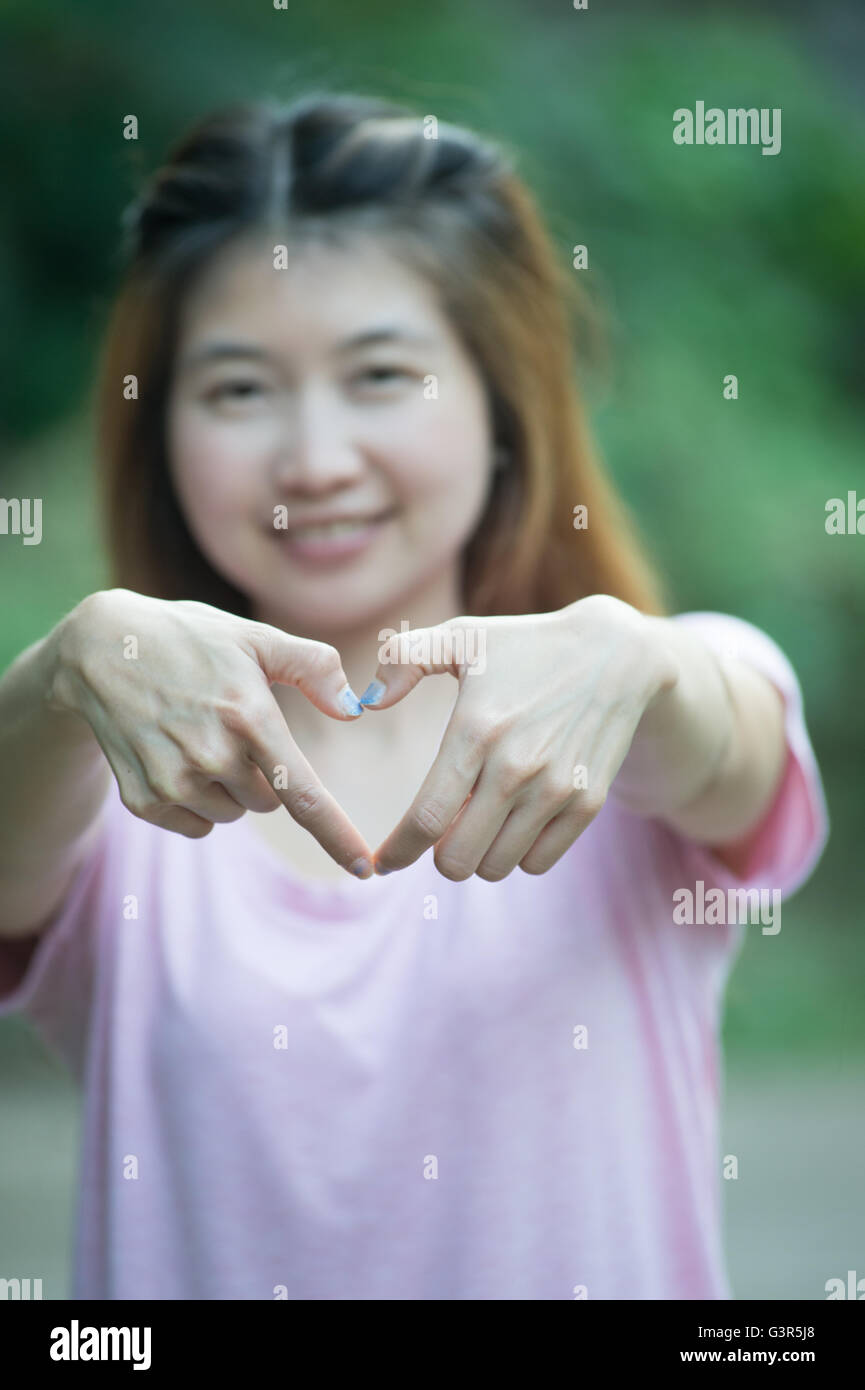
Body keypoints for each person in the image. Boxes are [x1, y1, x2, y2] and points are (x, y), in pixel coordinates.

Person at [0, 92, 828, 1300]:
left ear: (502, 404)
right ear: (161, 433)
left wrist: (636, 664)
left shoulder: (640, 705)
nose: (316, 458)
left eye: (380, 374)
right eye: (239, 390)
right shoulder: (106, 767)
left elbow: (724, 745)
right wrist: (66, 673)